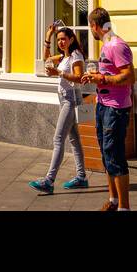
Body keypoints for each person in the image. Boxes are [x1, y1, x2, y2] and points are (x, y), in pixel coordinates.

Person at [80, 7, 134, 211]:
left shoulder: (117, 45)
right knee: (106, 155)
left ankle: (124, 207)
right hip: (103, 106)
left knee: (115, 156)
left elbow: (129, 77)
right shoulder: (107, 44)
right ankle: (113, 201)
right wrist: (94, 79)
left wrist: (102, 78)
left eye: (90, 27)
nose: (91, 31)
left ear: (94, 26)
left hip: (116, 110)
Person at [29, 24, 89, 194]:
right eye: (59, 40)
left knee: (58, 139)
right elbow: (46, 60)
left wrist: (59, 74)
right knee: (74, 140)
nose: (61, 42)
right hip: (63, 99)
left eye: (64, 39)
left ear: (71, 39)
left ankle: (49, 180)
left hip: (71, 99)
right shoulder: (64, 57)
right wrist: (48, 36)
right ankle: (81, 177)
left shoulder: (76, 55)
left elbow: (79, 78)